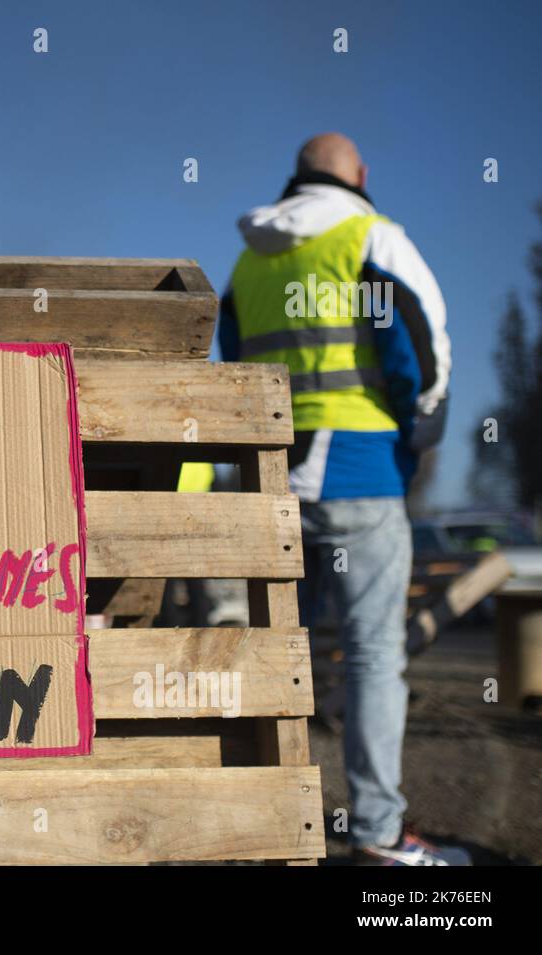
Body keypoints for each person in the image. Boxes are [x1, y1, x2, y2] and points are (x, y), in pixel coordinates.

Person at [218, 133, 461, 865]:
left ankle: (253, 821)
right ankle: (380, 834)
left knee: (268, 649)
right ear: (361, 176)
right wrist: (415, 441)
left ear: (296, 176)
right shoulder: (371, 240)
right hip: (360, 474)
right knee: (371, 654)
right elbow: (418, 359)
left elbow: (233, 361)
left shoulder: (248, 259)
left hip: (272, 483)